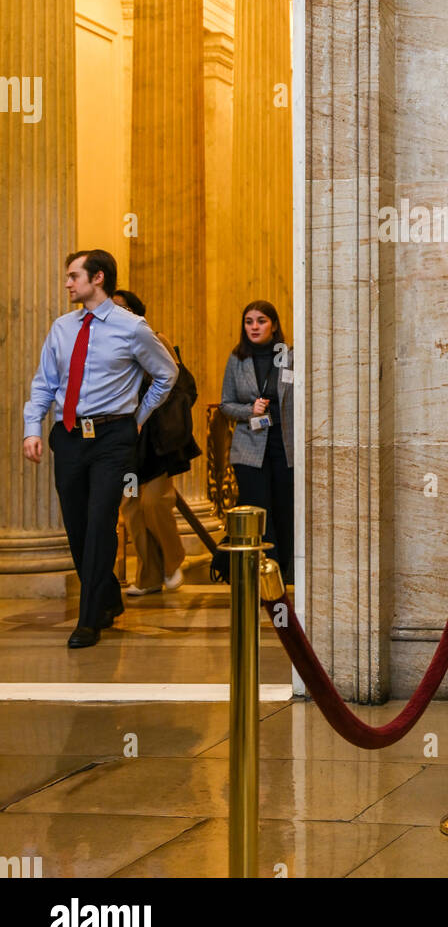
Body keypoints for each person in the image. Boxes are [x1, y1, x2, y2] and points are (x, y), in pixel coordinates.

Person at [23, 250, 178, 648]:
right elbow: (45, 382)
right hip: (69, 436)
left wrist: (137, 418)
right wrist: (32, 428)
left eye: (74, 276)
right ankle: (107, 597)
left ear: (98, 278)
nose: (67, 283)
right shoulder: (61, 327)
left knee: (100, 522)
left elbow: (166, 374)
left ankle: (88, 618)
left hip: (113, 439)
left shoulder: (133, 328)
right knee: (77, 527)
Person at [112, 289, 200, 598]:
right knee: (133, 510)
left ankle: (173, 559)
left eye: (121, 307)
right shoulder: (106, 344)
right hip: (126, 443)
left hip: (156, 441)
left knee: (154, 502)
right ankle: (148, 576)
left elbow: (176, 383)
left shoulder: (153, 339)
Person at [220, 301, 294, 582]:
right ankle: (256, 574)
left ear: (273, 325)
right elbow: (226, 404)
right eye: (248, 321)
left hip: (285, 447)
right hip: (250, 449)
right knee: (256, 508)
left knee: (285, 510)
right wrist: (249, 410)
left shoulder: (289, 357)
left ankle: (284, 576)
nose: (254, 327)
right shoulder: (237, 359)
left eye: (261, 321)